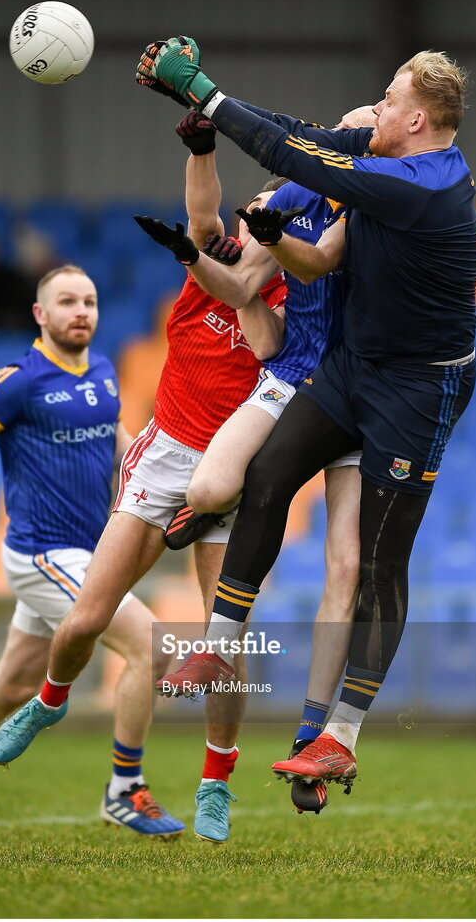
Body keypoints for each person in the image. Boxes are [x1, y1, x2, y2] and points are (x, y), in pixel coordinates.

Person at [141, 39, 476, 794]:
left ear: (417, 120)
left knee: (378, 564)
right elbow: (300, 141)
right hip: (353, 365)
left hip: (419, 391)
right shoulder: (385, 154)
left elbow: (300, 162)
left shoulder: (419, 185)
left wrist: (206, 87)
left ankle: (340, 738)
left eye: (390, 100)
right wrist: (204, 111)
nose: (380, 107)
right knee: (266, 474)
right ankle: (218, 647)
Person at [0, 122, 287, 844]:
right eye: (254, 213)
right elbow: (203, 215)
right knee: (87, 617)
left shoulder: (293, 300)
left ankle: (216, 781)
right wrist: (202, 148)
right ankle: (50, 701)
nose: (252, 223)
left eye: (269, 219)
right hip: (164, 460)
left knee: (226, 643)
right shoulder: (207, 259)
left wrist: (255, 279)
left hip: (232, 474)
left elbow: (272, 343)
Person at [0, 264, 184, 839]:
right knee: (150, 647)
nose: (81, 312)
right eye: (66, 302)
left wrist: (153, 481)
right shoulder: (18, 379)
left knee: (12, 685)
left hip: (84, 554)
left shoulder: (101, 367)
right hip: (44, 555)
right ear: (40, 315)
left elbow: (114, 438)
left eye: (89, 301)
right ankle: (124, 789)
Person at [138, 110, 363, 814]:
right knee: (210, 486)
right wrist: (195, 251)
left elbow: (321, 260)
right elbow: (234, 274)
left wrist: (266, 239)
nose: (345, 138)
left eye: (355, 131)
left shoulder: (378, 202)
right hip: (296, 375)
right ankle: (212, 603)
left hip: (364, 388)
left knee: (347, 568)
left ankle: (313, 747)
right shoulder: (295, 196)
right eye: (339, 131)